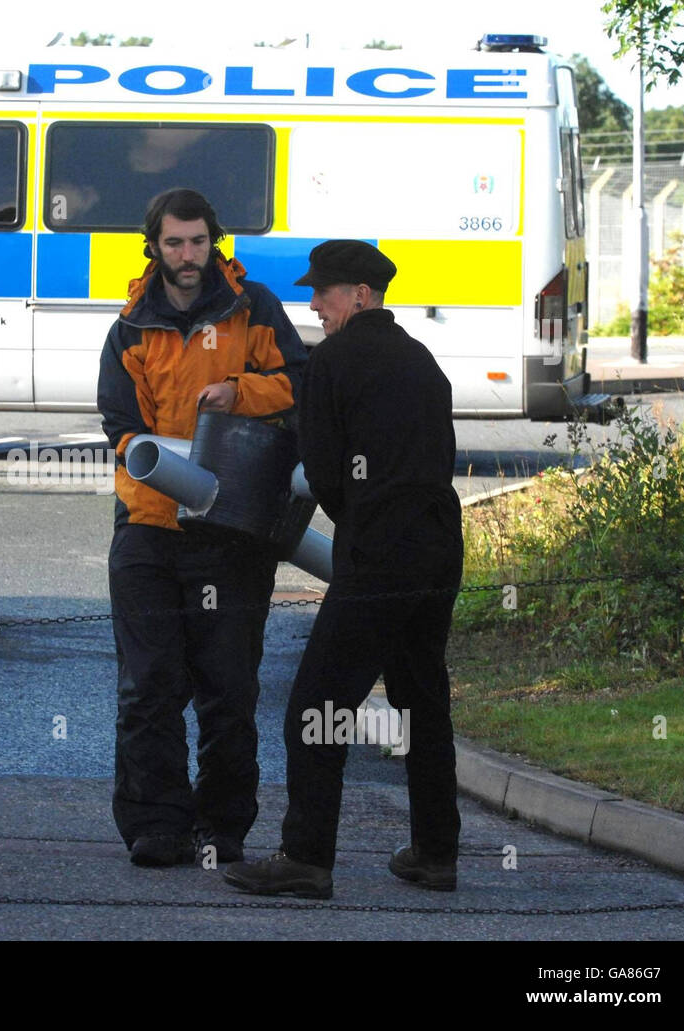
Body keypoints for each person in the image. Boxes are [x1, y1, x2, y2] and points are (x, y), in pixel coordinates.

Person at [223, 240, 464, 899]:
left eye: (323, 292)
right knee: (421, 698)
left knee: (316, 704)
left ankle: (305, 855)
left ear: (360, 294)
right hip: (440, 546)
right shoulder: (422, 360)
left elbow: (326, 469)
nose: (313, 304)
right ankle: (436, 853)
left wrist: (357, 523)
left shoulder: (332, 362)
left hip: (379, 553)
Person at [96, 188, 307, 867]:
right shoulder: (131, 324)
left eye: (197, 241)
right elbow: (121, 427)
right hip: (150, 527)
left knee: (228, 687)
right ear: (153, 246)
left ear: (215, 240)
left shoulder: (255, 307)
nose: (187, 256)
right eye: (174, 243)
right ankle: (157, 822)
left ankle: (223, 824)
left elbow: (301, 386)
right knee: (148, 686)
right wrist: (159, 470)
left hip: (233, 527)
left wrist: (238, 391)